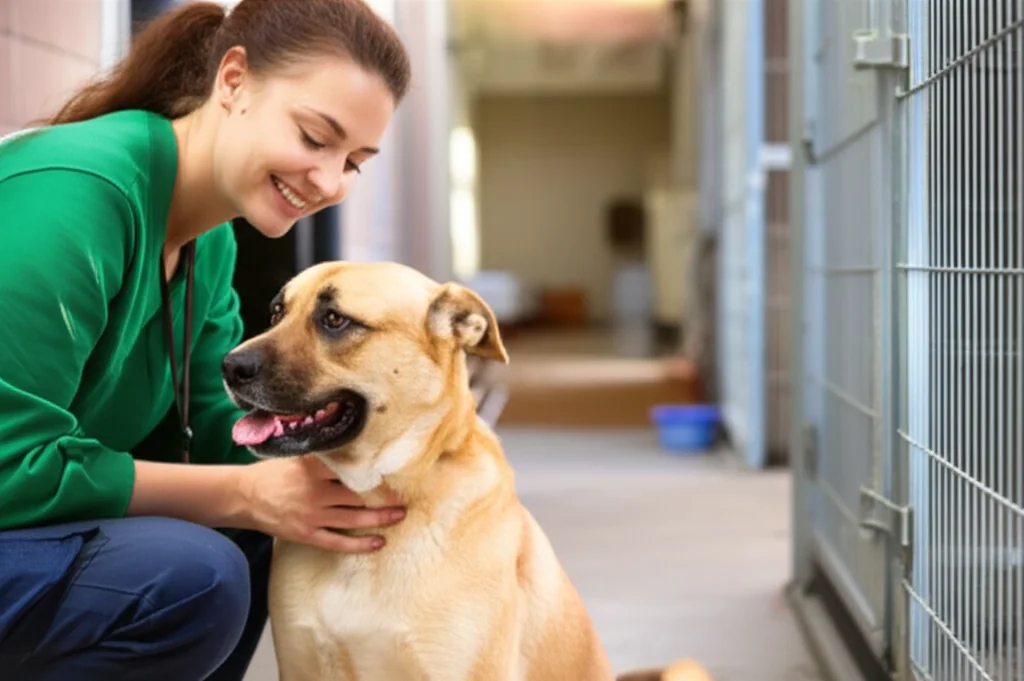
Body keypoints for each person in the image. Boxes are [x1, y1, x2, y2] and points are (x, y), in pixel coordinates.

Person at [0, 1, 412, 679]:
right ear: (234, 81)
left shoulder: (207, 240)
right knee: (193, 574)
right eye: (314, 136)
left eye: (356, 162)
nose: (330, 181)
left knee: (268, 523)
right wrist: (244, 494)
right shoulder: (75, 195)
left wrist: (345, 476)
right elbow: (10, 460)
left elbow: (216, 431)